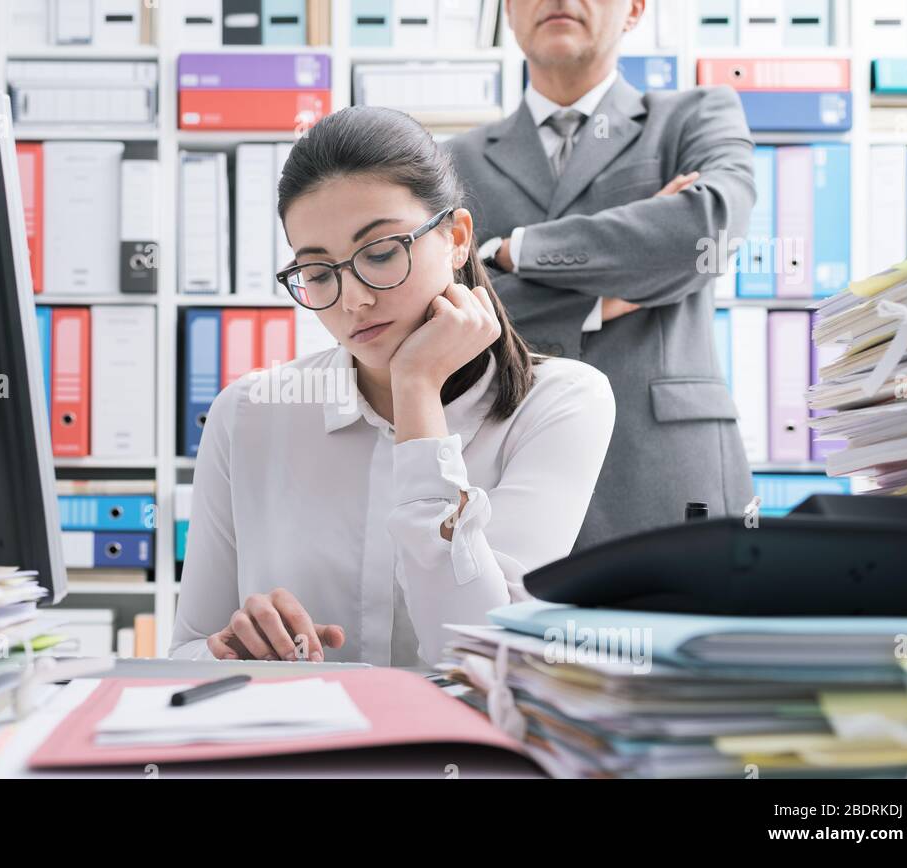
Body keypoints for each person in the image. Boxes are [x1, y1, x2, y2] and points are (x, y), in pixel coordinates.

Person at [169, 106, 616, 665]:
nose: (353, 299)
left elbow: (477, 656)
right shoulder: (248, 413)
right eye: (317, 272)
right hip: (301, 742)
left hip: (464, 750)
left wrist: (417, 394)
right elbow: (185, 651)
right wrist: (235, 655)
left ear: (456, 238)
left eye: (380, 254)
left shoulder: (563, 402)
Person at [449, 0, 756, 549]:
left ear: (635, 10)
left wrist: (511, 251)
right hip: (505, 469)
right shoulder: (453, 161)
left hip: (667, 472)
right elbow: (441, 308)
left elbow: (702, 232)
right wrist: (608, 294)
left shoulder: (697, 115)